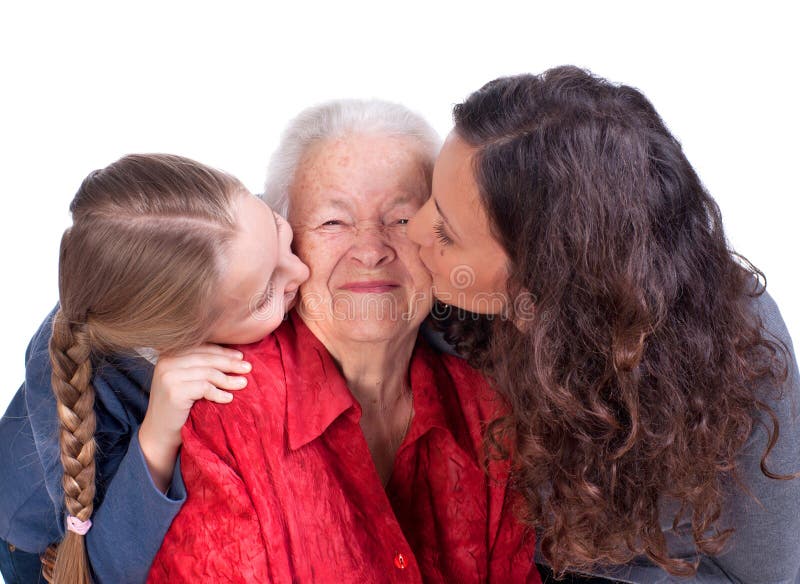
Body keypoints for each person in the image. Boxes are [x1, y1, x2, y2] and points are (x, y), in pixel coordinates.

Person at [407, 66, 800, 582]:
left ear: (542, 283)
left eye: (445, 231)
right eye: (430, 201)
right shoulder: (441, 317)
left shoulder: (739, 343)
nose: (412, 230)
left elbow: (772, 574)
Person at [147, 100, 539, 583]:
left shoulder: (486, 410)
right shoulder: (228, 405)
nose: (371, 251)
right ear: (286, 242)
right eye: (333, 222)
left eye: (401, 219)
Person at [0, 154, 309, 584]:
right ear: (177, 342)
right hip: (42, 546)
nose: (302, 270)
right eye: (265, 296)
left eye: (278, 227)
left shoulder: (234, 238)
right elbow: (103, 569)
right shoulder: (83, 395)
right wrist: (157, 433)